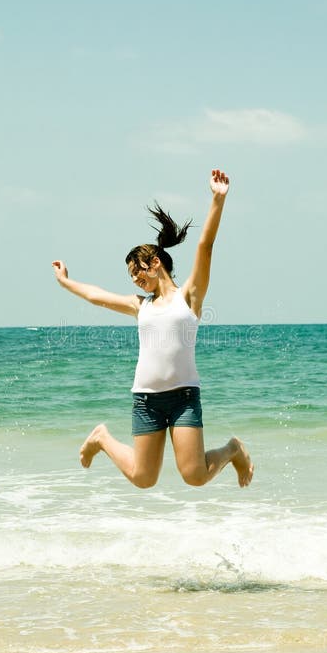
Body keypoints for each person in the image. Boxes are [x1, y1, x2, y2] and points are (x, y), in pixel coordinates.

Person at [52, 169, 254, 490]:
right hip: (146, 399)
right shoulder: (139, 305)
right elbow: (96, 296)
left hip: (183, 398)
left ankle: (233, 449)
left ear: (155, 263)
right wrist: (66, 282)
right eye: (131, 275)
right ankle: (102, 438)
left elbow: (205, 246)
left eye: (137, 271)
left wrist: (217, 200)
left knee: (195, 475)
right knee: (143, 479)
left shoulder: (189, 296)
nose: (134, 279)